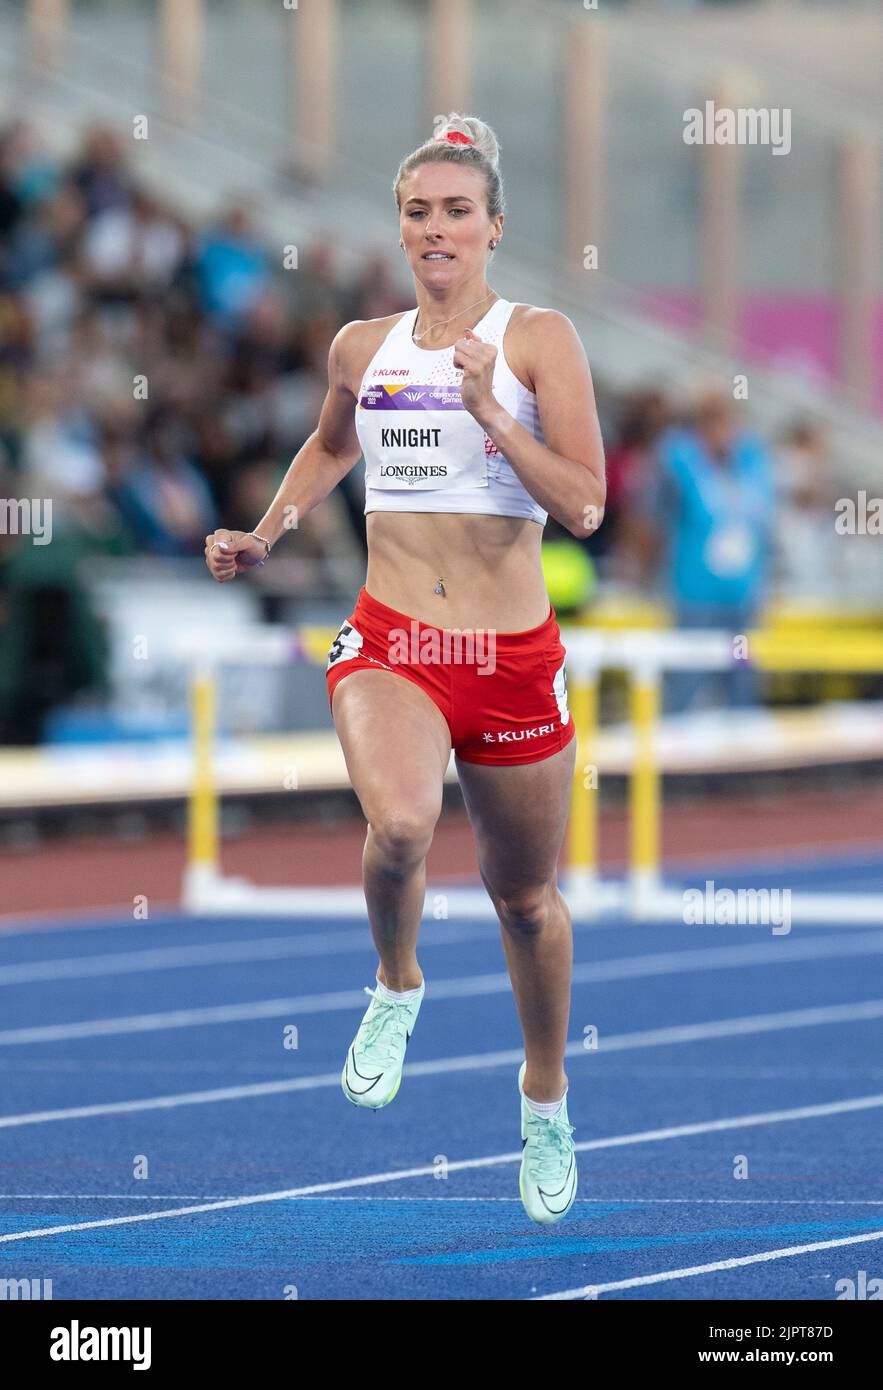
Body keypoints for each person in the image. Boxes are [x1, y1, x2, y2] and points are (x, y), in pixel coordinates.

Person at [204, 113, 606, 1225]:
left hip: (512, 658)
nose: (435, 230)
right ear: (399, 223)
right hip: (394, 642)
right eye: (417, 211)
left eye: (455, 212)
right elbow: (334, 444)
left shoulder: (538, 341)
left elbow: (583, 503)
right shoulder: (359, 346)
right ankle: (395, 983)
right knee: (400, 826)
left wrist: (489, 411)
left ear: (493, 227)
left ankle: (544, 1098)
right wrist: (268, 531)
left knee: (524, 899)